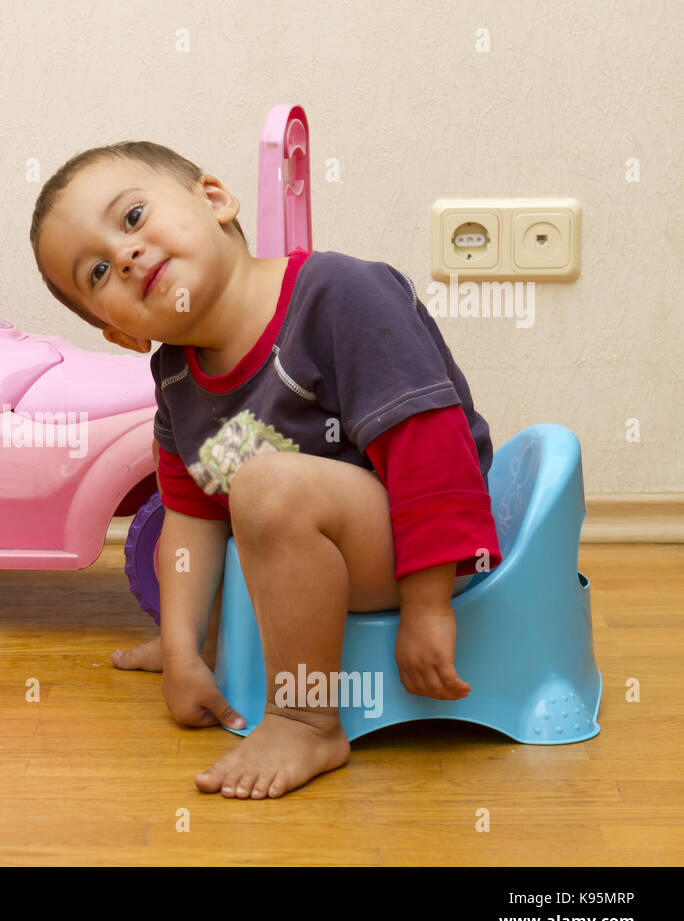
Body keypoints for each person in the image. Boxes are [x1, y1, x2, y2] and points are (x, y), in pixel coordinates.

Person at [29, 143, 501, 799]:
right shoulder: (172, 375)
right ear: (121, 333)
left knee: (263, 481)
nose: (128, 254)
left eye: (133, 217)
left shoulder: (340, 293)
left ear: (215, 199)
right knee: (241, 492)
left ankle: (307, 718)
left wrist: (428, 608)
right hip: (326, 548)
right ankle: (244, 658)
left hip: (413, 541)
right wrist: (182, 646)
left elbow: (429, 445)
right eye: (99, 270)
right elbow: (189, 522)